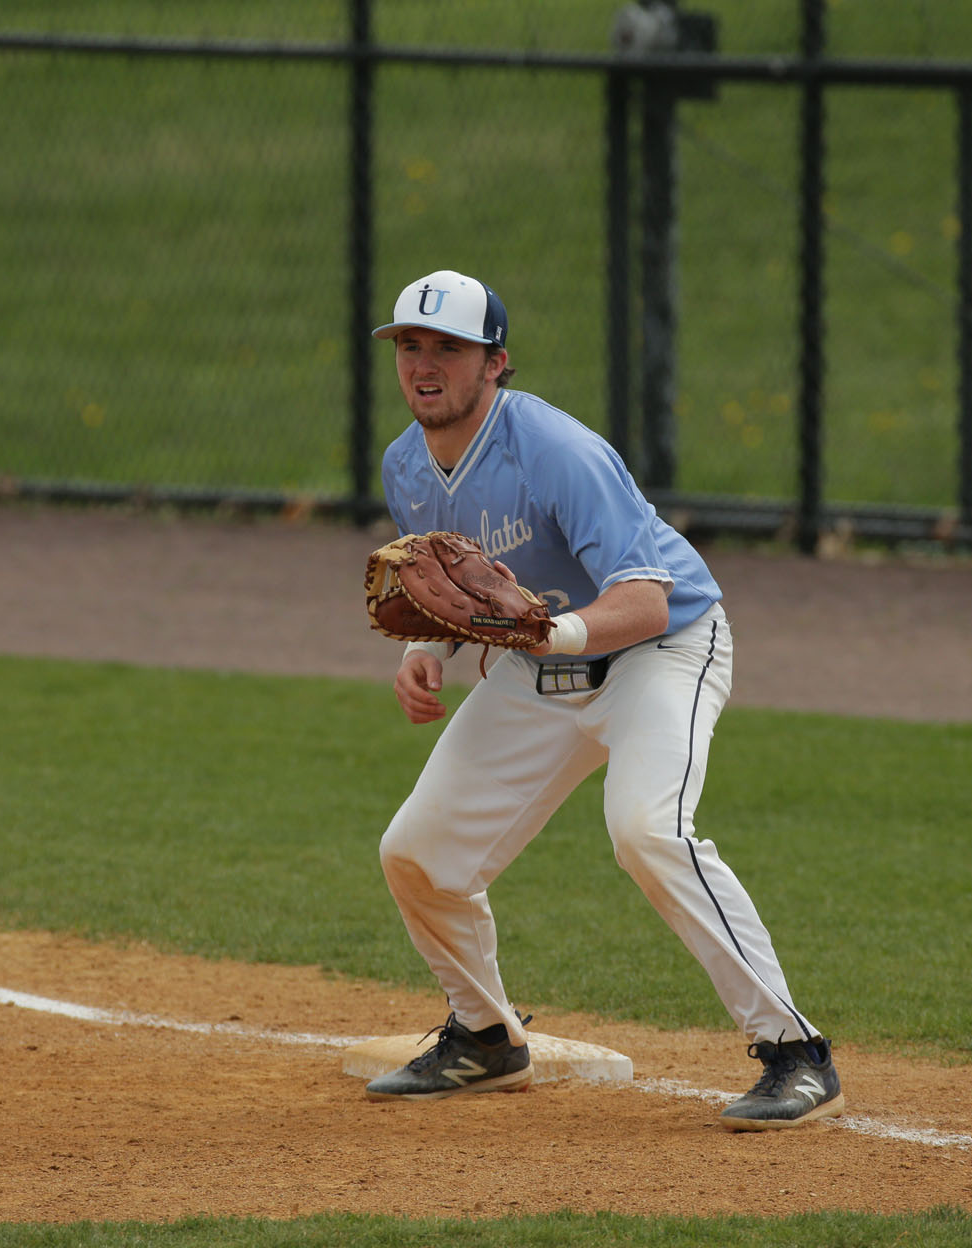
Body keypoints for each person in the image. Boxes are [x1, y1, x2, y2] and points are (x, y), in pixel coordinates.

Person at [362, 269, 844, 1131]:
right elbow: (457, 586)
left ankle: (795, 1052)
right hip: (540, 667)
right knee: (417, 854)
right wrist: (426, 649)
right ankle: (484, 1038)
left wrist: (551, 635)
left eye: (449, 348)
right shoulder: (406, 464)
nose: (424, 364)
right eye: (410, 345)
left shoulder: (558, 451)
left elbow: (649, 600)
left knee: (647, 832)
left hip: (662, 650)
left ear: (495, 363)